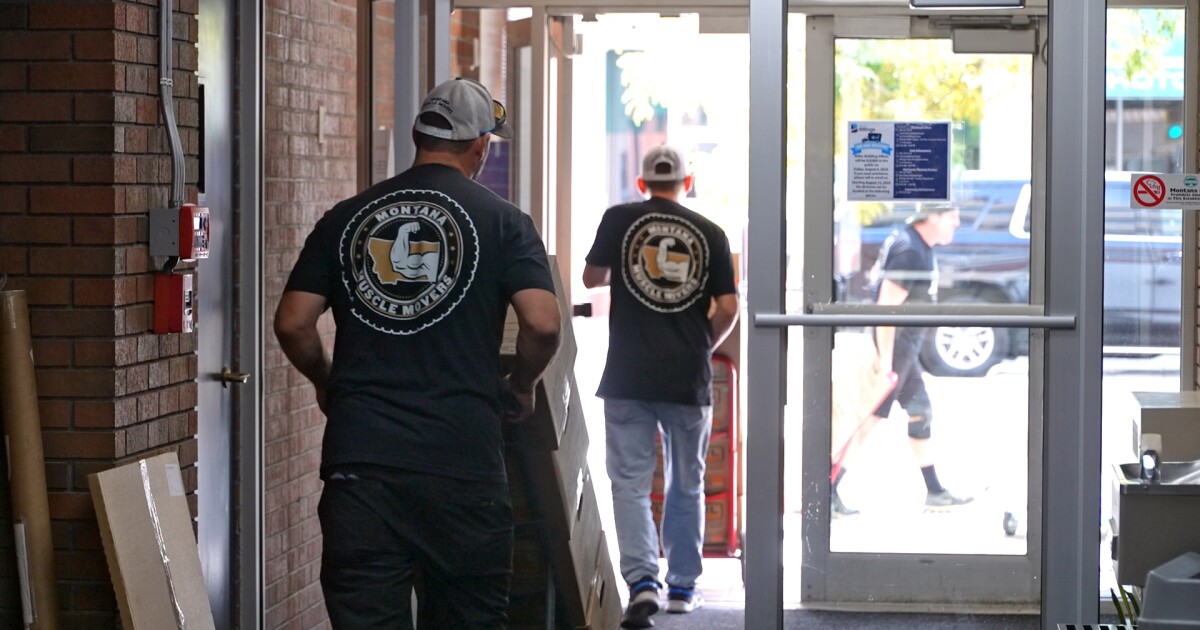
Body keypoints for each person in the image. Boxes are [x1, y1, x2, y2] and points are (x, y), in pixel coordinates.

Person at [273, 77, 562, 629]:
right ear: (480, 147)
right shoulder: (503, 222)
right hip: (462, 465)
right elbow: (543, 324)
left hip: (362, 468)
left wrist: (325, 380)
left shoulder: (346, 217)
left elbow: (292, 323)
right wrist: (522, 383)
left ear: (416, 136)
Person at [583, 145, 739, 628]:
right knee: (686, 481)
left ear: (641, 183)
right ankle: (682, 588)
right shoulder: (710, 233)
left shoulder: (619, 218)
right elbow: (730, 308)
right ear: (687, 183)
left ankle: (642, 582)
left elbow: (592, 277)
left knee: (629, 483)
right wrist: (701, 345)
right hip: (686, 374)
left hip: (628, 373)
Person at [830, 202, 974, 517]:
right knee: (869, 420)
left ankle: (935, 491)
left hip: (904, 350)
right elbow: (886, 309)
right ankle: (827, 489)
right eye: (952, 217)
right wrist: (884, 362)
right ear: (932, 217)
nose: (957, 223)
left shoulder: (918, 245)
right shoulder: (910, 249)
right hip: (893, 351)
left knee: (921, 411)